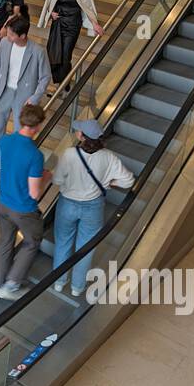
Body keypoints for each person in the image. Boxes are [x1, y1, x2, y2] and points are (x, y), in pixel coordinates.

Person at [51, 120, 135, 297]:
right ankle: (77, 287)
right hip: (93, 207)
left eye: (78, 130)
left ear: (81, 136)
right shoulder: (109, 157)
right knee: (86, 248)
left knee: (63, 242)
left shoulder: (69, 154)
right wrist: (109, 183)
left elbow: (57, 180)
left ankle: (58, 281)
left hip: (68, 203)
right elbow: (129, 181)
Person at [0, 102, 51, 300]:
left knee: (6, 242)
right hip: (23, 209)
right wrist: (46, 178)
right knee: (32, 242)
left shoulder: (4, 140)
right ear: (37, 126)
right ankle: (11, 285)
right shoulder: (35, 154)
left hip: (2, 203)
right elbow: (34, 194)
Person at [41, 0, 102, 85]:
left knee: (65, 54)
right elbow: (49, 2)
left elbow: (88, 8)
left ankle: (62, 84)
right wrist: (51, 13)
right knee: (53, 52)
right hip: (57, 23)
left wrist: (95, 24)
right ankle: (62, 80)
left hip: (72, 25)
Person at [0, 15, 50, 143]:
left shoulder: (38, 51)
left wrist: (35, 98)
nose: (8, 35)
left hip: (24, 97)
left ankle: (15, 160)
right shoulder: (4, 43)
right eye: (8, 31)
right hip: (3, 92)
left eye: (12, 34)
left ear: (22, 36)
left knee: (20, 132)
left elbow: (45, 77)